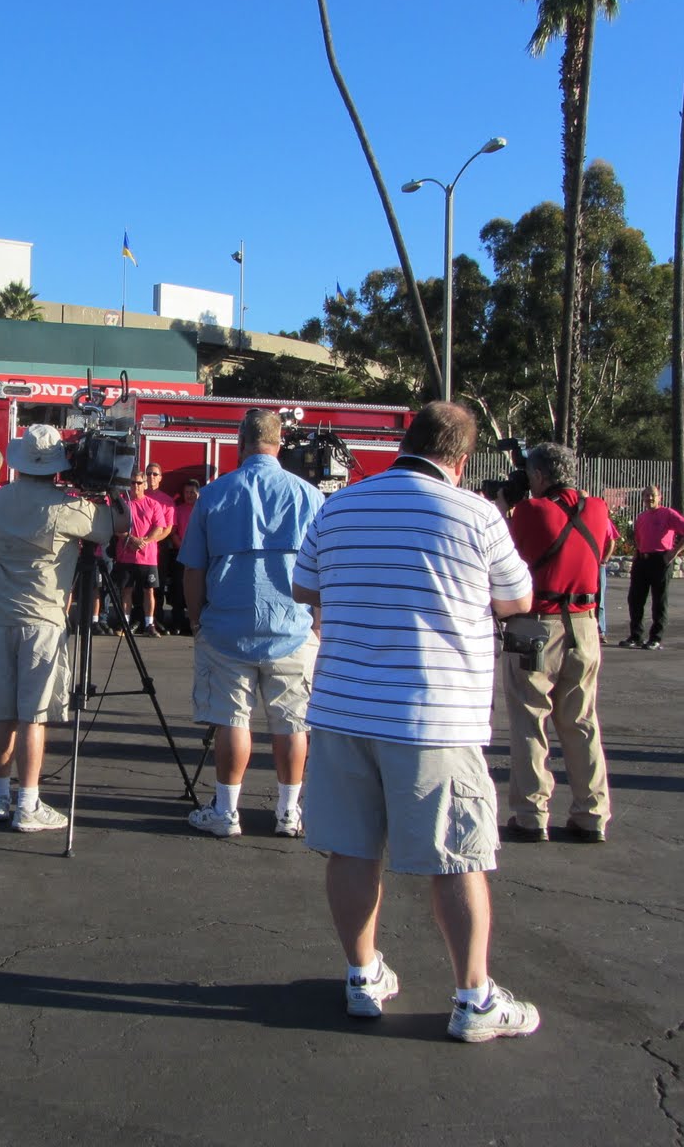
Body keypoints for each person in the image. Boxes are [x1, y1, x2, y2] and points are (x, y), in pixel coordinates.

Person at [291, 401, 539, 1043]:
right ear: (460, 459)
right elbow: (517, 599)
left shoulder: (339, 506)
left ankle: (362, 974)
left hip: (343, 707)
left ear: (408, 441)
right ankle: (473, 998)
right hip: (435, 715)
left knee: (350, 849)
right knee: (456, 857)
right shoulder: (477, 514)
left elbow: (304, 587)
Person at [0, 425, 119, 832]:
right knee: (33, 716)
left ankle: (1, 795)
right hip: (42, 620)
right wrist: (113, 486)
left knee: (2, 713)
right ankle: (29, 803)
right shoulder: (67, 507)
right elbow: (115, 526)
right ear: (57, 465)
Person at [181, 410, 322, 838]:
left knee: (232, 720)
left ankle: (226, 812)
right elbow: (324, 569)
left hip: (227, 628)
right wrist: (318, 623)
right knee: (293, 723)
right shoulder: (310, 495)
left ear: (240, 442)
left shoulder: (214, 494)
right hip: (292, 626)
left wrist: (195, 620)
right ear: (280, 444)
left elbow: (193, 569)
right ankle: (288, 812)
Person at [502, 443, 614, 845]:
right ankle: (591, 812)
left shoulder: (532, 512)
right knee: (580, 719)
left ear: (539, 476)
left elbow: (505, 555)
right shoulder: (597, 508)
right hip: (583, 622)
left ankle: (531, 813)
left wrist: (504, 506)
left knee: (530, 717)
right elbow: (605, 549)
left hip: (536, 622)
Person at [622, 484, 684, 650]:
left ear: (659, 497)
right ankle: (636, 635)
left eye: (652, 495)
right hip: (642, 560)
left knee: (659, 600)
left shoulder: (667, 514)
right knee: (635, 599)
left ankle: (656, 638)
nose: (649, 498)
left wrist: (673, 552)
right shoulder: (642, 517)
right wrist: (637, 556)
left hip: (660, 560)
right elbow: (639, 540)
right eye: (646, 496)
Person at [114, 463, 174, 637]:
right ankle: (124, 623)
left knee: (149, 591)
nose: (136, 486)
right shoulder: (122, 504)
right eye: (133, 483)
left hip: (148, 557)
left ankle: (149, 624)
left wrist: (145, 541)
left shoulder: (153, 504)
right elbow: (115, 526)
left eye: (139, 483)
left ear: (144, 484)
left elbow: (159, 527)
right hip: (126, 555)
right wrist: (129, 538)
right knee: (126, 590)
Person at [166, 479, 201, 633]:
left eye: (192, 492)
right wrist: (183, 548)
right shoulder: (178, 510)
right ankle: (177, 623)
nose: (189, 495)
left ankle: (196, 623)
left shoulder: (203, 509)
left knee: (199, 591)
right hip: (181, 555)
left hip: (200, 557)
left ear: (198, 493)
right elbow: (173, 533)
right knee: (179, 591)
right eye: (186, 492)